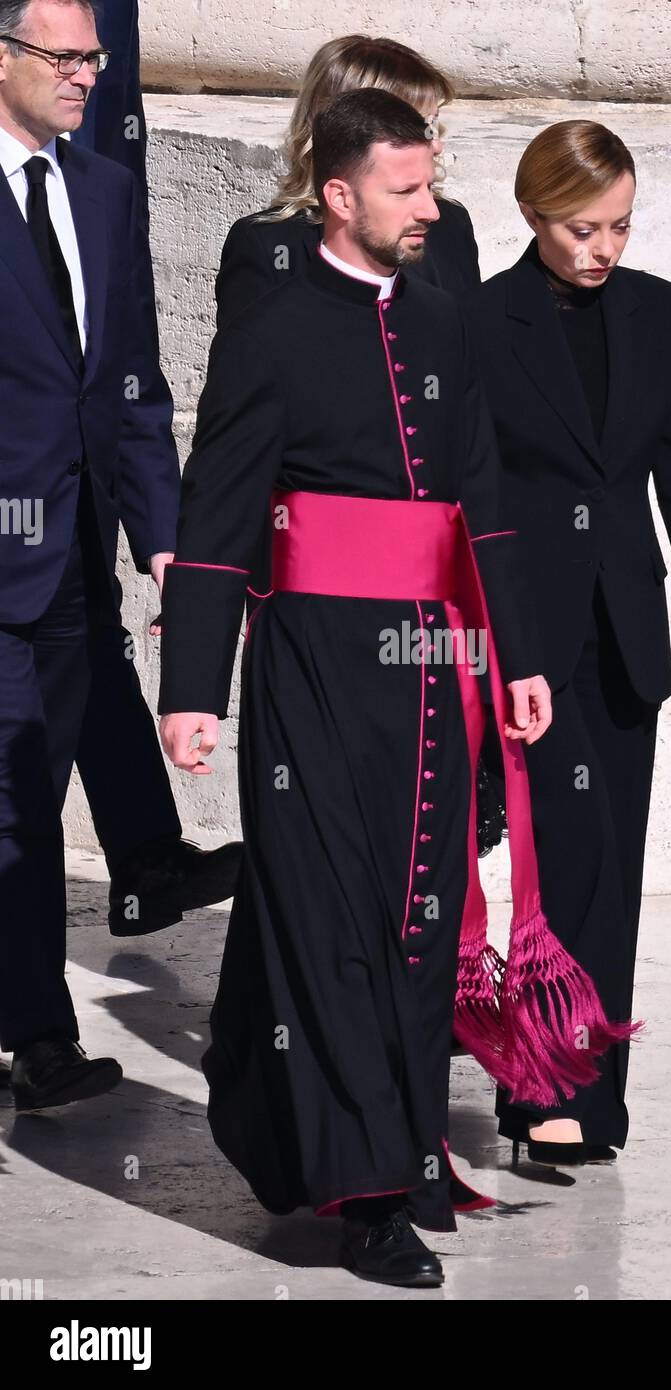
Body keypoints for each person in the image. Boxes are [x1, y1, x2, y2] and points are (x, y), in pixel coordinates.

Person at [159, 89, 634, 1288]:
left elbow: (487, 507)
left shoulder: (443, 325)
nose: (430, 208)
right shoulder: (270, 327)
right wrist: (190, 688)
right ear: (338, 194)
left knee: (422, 923)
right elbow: (216, 518)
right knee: (331, 925)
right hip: (313, 666)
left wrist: (519, 658)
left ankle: (412, 1140)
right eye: (406, 189)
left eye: (431, 186)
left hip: (435, 667)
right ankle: (366, 1195)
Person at [463, 119, 671, 1164]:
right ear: (533, 214)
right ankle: (542, 1090)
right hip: (524, 631)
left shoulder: (655, 311)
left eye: (618, 227)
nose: (601, 249)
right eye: (580, 228)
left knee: (607, 869)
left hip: (626, 629)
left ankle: (586, 1098)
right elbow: (474, 490)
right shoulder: (483, 319)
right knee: (562, 856)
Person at [0, 0, 178, 1108]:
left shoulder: (105, 193)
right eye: (66, 58)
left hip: (71, 565)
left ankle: (36, 1036)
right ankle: (41, 1034)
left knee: (29, 794)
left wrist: (164, 544)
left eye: (95, 58)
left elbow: (132, 389)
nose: (87, 77)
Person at [69, 0, 243, 938]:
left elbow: (121, 302)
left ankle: (142, 855)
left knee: (78, 616)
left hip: (76, 421)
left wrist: (160, 527)